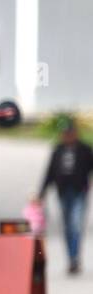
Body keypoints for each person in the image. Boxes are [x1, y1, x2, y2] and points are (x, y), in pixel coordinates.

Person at [39, 118, 93, 275]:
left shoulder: (85, 149)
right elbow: (49, 173)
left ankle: (75, 258)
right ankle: (71, 258)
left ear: (75, 133)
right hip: (63, 192)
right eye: (64, 133)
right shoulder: (57, 150)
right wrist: (42, 193)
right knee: (67, 227)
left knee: (76, 224)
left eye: (69, 133)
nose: (67, 136)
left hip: (79, 192)